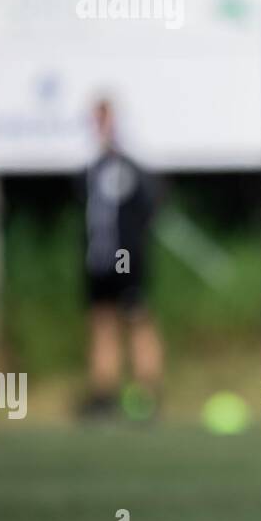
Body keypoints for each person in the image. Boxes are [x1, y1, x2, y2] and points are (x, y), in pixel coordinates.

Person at [78, 98, 165, 420]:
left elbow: (149, 206)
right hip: (97, 257)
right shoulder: (91, 165)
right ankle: (105, 394)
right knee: (102, 320)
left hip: (127, 257)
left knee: (136, 315)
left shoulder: (132, 164)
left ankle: (148, 391)